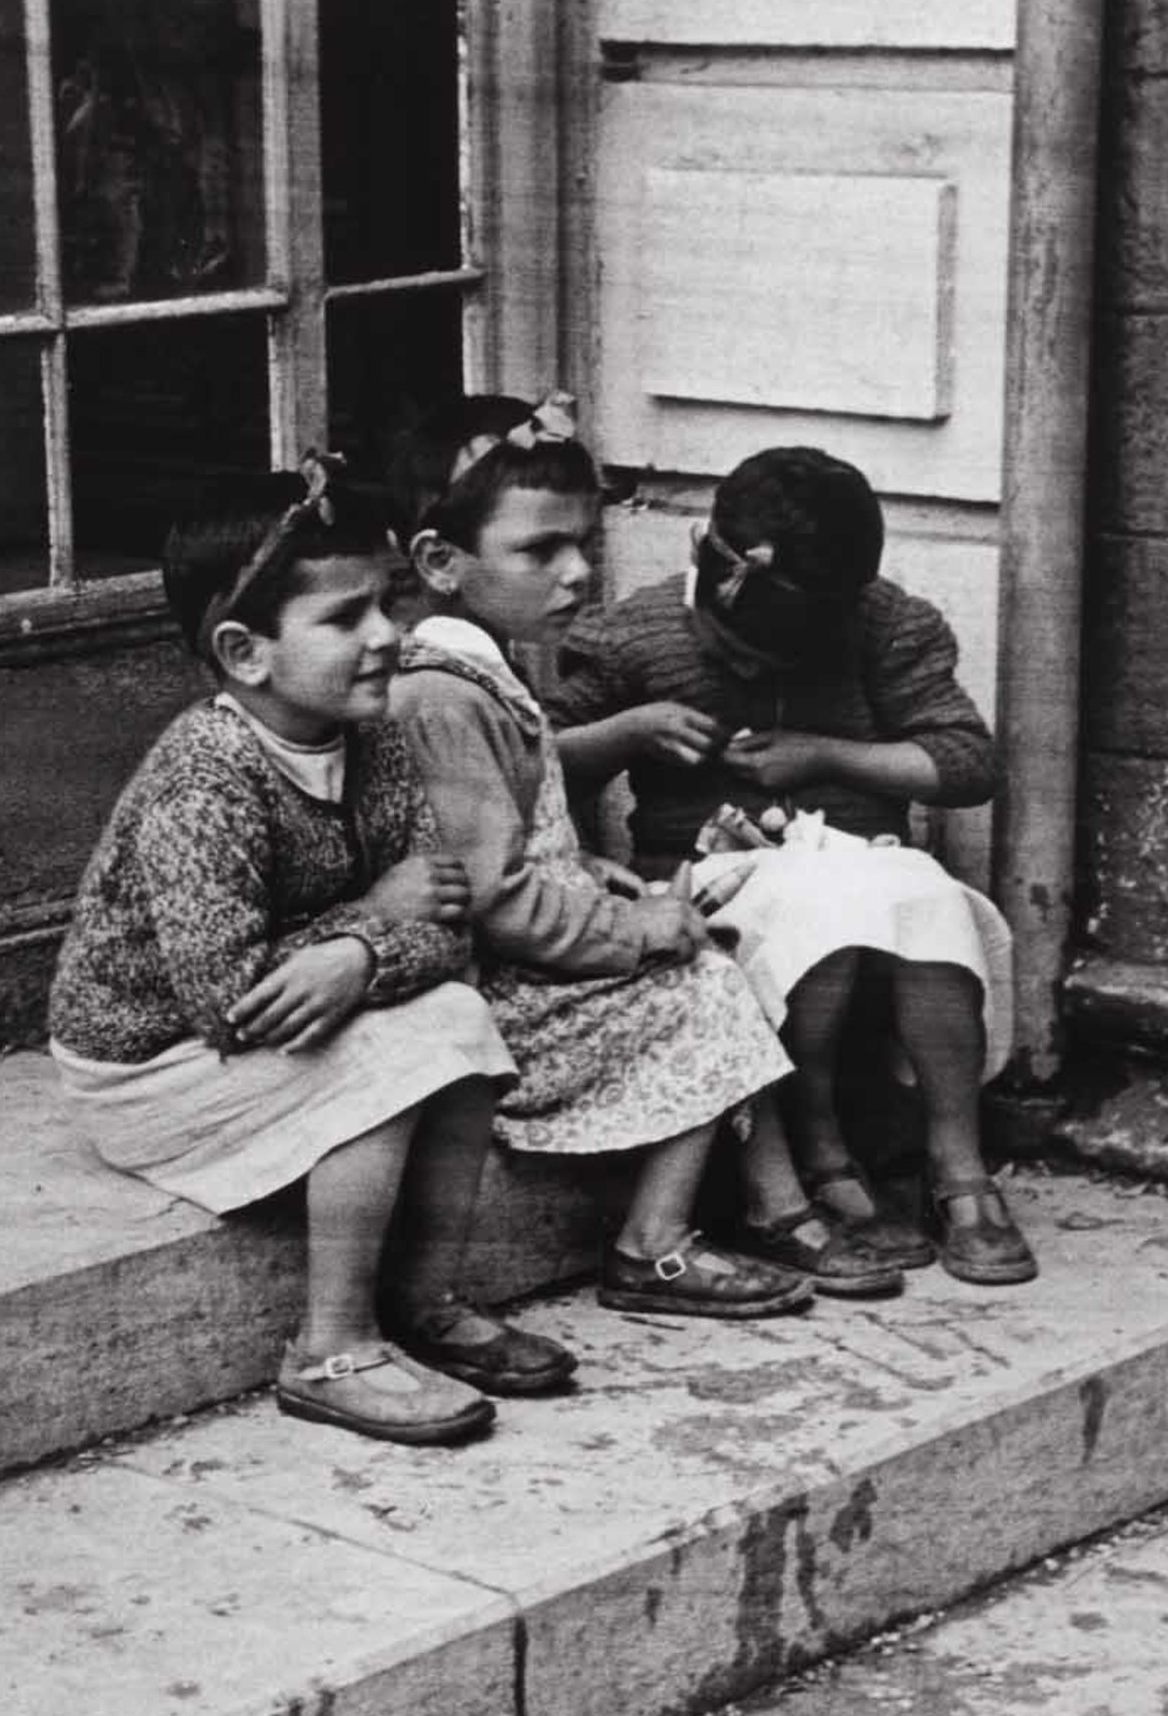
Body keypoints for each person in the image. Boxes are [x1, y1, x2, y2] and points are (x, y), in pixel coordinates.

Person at [46, 456, 572, 1448]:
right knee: (395, 1054)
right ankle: (330, 1347)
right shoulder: (206, 779)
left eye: (385, 604)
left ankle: (420, 1298)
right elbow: (231, 1000)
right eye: (343, 620)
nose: (386, 636)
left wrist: (366, 954)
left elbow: (447, 922)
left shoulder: (366, 739)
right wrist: (371, 932)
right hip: (151, 1063)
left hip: (287, 1007)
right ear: (246, 653)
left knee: (454, 1018)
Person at [385, 394, 904, 1320]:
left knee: (711, 950)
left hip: (529, 959)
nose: (577, 573)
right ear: (439, 562)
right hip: (494, 1000)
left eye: (583, 543)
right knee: (702, 977)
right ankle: (660, 1242)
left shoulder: (489, 672)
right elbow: (494, 895)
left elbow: (523, 833)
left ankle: (770, 1202)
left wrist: (593, 872)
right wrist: (632, 929)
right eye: (540, 552)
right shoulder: (441, 695)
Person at [548, 444, 1036, 1286]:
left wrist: (827, 756)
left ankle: (958, 1164)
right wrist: (627, 733)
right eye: (737, 649)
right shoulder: (632, 634)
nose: (754, 671)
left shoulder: (886, 623)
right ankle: (820, 1150)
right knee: (819, 911)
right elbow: (535, 766)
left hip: (866, 859)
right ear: (708, 558)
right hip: (708, 873)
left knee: (927, 899)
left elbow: (966, 765)